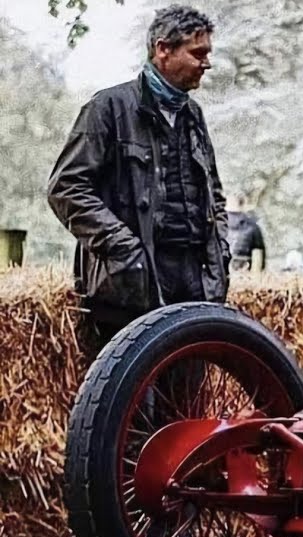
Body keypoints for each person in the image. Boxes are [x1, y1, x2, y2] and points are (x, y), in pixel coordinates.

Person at [47, 5, 227, 355]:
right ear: (163, 49)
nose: (207, 63)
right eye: (198, 53)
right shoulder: (107, 108)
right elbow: (65, 188)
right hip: (129, 286)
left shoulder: (193, 115)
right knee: (131, 404)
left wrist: (220, 251)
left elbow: (214, 194)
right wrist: (124, 248)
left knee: (188, 401)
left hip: (192, 283)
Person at [226, 192, 266, 272]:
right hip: (244, 271)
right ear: (243, 204)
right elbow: (258, 256)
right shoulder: (253, 226)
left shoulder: (218, 224)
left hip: (222, 271)